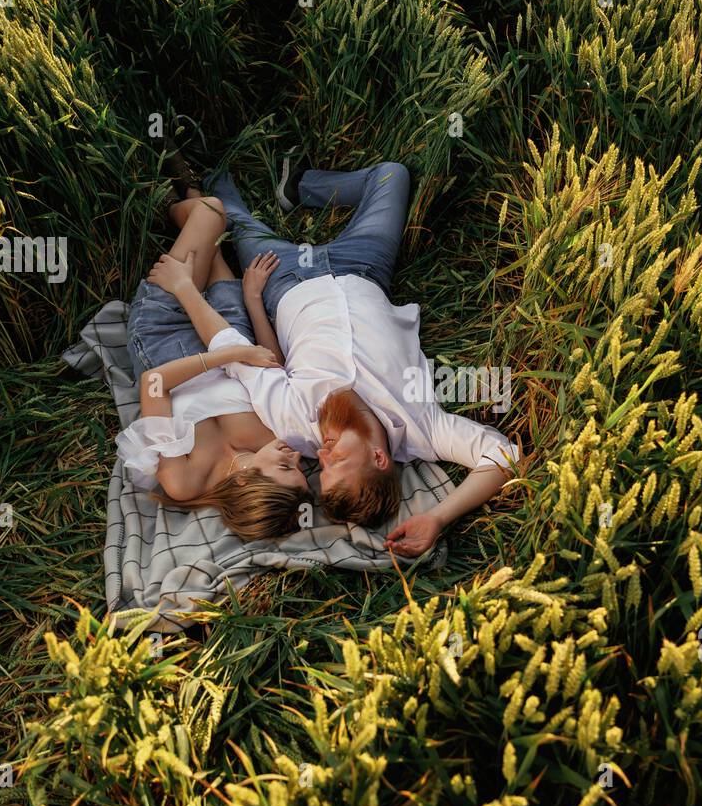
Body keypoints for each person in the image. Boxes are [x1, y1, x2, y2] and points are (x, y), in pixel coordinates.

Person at [207, 156, 519, 557]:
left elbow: (239, 357)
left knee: (229, 213)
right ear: (378, 456)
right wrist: (438, 518)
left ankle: (204, 160)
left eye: (322, 467)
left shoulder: (296, 424)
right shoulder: (424, 425)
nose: (320, 454)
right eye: (336, 461)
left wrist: (245, 298)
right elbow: (504, 455)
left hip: (283, 279)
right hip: (364, 266)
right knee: (393, 174)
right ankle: (303, 185)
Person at [117, 184, 311, 541]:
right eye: (299, 465)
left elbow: (155, 384)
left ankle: (172, 203)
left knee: (211, 211)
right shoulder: (273, 436)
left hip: (165, 338)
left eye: (287, 467)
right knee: (215, 245)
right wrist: (252, 299)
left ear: (248, 484)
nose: (295, 456)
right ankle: (189, 190)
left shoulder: (184, 481)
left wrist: (231, 354)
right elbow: (272, 367)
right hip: (228, 330)